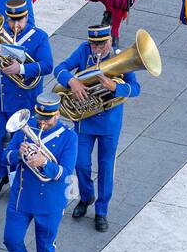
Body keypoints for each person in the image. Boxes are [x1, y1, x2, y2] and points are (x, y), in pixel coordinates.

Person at [55, 24, 141, 232]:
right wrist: (72, 81)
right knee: (80, 163)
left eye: (101, 44)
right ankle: (86, 197)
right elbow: (60, 68)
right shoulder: (84, 51)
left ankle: (102, 211)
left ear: (110, 41)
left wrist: (115, 87)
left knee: (105, 168)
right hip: (84, 121)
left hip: (109, 124)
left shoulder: (120, 57)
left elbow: (135, 89)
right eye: (94, 45)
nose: (97, 49)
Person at [3, 94, 76, 252]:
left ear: (57, 114)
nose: (42, 123)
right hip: (21, 197)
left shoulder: (68, 137)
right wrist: (19, 154)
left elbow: (66, 172)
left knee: (45, 248)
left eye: (48, 119)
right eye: (40, 117)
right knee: (11, 239)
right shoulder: (27, 128)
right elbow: (6, 156)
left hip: (49, 201)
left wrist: (44, 163)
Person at [0, 0, 52, 198]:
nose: (16, 25)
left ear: (27, 16)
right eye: (12, 21)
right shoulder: (0, 36)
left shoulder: (39, 37)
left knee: (23, 145)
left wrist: (21, 68)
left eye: (20, 20)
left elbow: (47, 65)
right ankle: (0, 175)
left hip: (23, 100)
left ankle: (21, 180)